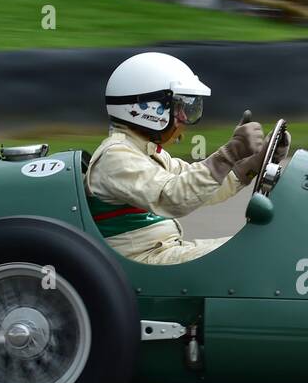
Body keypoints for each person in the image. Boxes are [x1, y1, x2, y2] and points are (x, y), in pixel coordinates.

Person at [84, 52, 287, 266]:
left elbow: (196, 188)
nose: (183, 119)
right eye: (178, 108)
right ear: (148, 108)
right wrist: (230, 153)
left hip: (162, 252)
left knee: (261, 246)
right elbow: (175, 198)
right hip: (142, 261)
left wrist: (252, 163)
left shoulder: (145, 151)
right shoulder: (116, 157)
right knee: (255, 254)